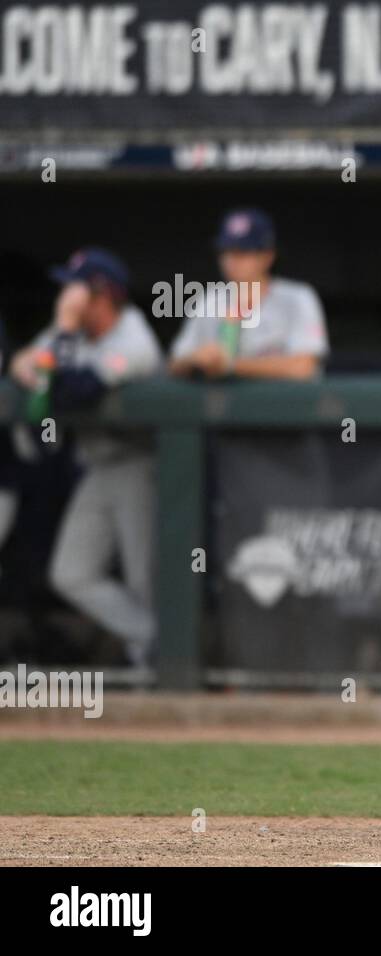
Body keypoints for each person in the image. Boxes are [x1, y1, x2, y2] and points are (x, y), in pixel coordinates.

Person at [9, 248, 163, 667]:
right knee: (71, 573)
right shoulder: (73, 333)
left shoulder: (134, 339)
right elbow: (24, 362)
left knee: (144, 580)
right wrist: (37, 360)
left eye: (75, 290)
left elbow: (75, 390)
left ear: (101, 296)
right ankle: (156, 645)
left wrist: (59, 335)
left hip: (142, 463)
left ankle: (156, 664)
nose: (66, 297)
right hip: (98, 466)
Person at [169, 209, 328, 380]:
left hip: (284, 404)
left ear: (268, 256)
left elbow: (304, 367)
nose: (231, 261)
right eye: (226, 252)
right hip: (225, 404)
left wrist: (231, 365)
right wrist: (195, 361)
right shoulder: (210, 300)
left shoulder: (298, 298)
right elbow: (174, 363)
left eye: (242, 252)